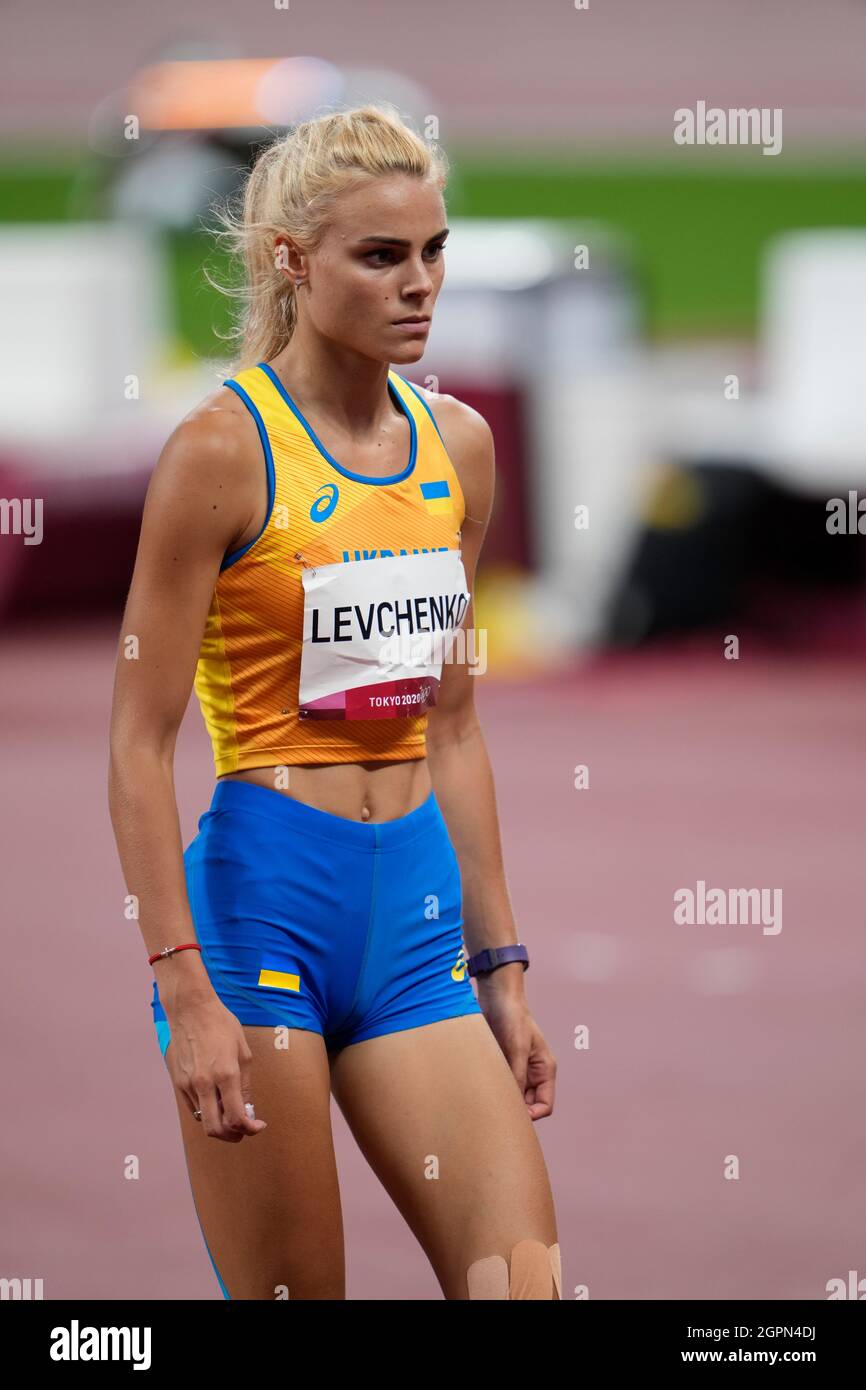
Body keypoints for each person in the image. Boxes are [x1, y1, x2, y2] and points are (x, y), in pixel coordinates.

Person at [108, 103, 560, 1301]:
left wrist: (500, 964)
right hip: (263, 919)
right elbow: (138, 742)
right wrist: (183, 986)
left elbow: (451, 724)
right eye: (380, 255)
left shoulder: (457, 448)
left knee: (520, 1286)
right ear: (291, 262)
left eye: (433, 251)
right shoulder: (220, 452)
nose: (420, 284)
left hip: (412, 919)